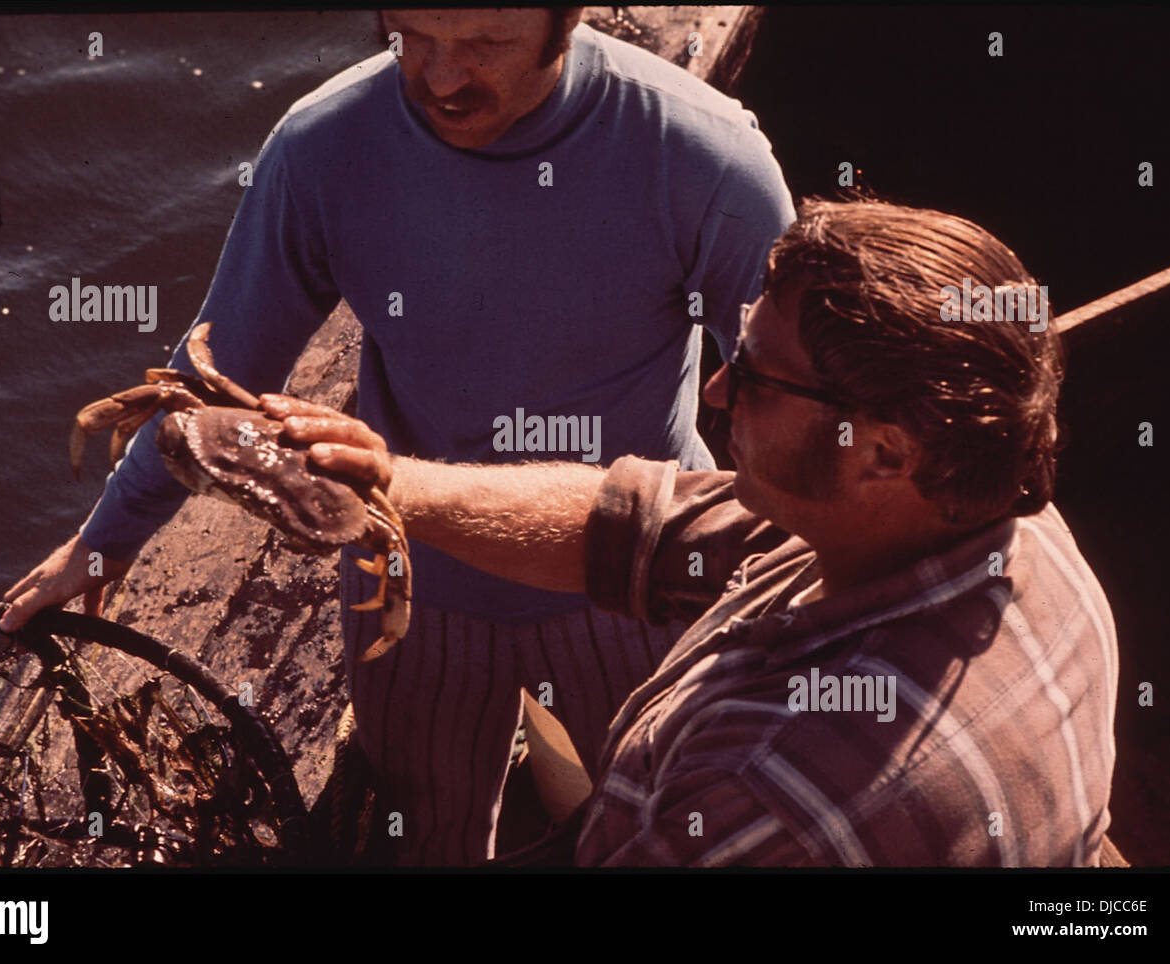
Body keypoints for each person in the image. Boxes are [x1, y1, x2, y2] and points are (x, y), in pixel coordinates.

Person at [0, 8, 795, 864]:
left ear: (564, 23)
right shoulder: (324, 147)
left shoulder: (704, 155)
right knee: (420, 834)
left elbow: (795, 399)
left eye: (484, 46)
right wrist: (103, 540)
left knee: (673, 819)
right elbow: (211, 367)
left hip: (634, 577)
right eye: (415, 36)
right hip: (412, 588)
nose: (441, 80)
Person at [278, 198, 1120, 865]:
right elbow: (624, 526)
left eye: (755, 375)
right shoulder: (1016, 527)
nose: (715, 391)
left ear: (885, 453)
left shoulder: (765, 786)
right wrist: (386, 484)